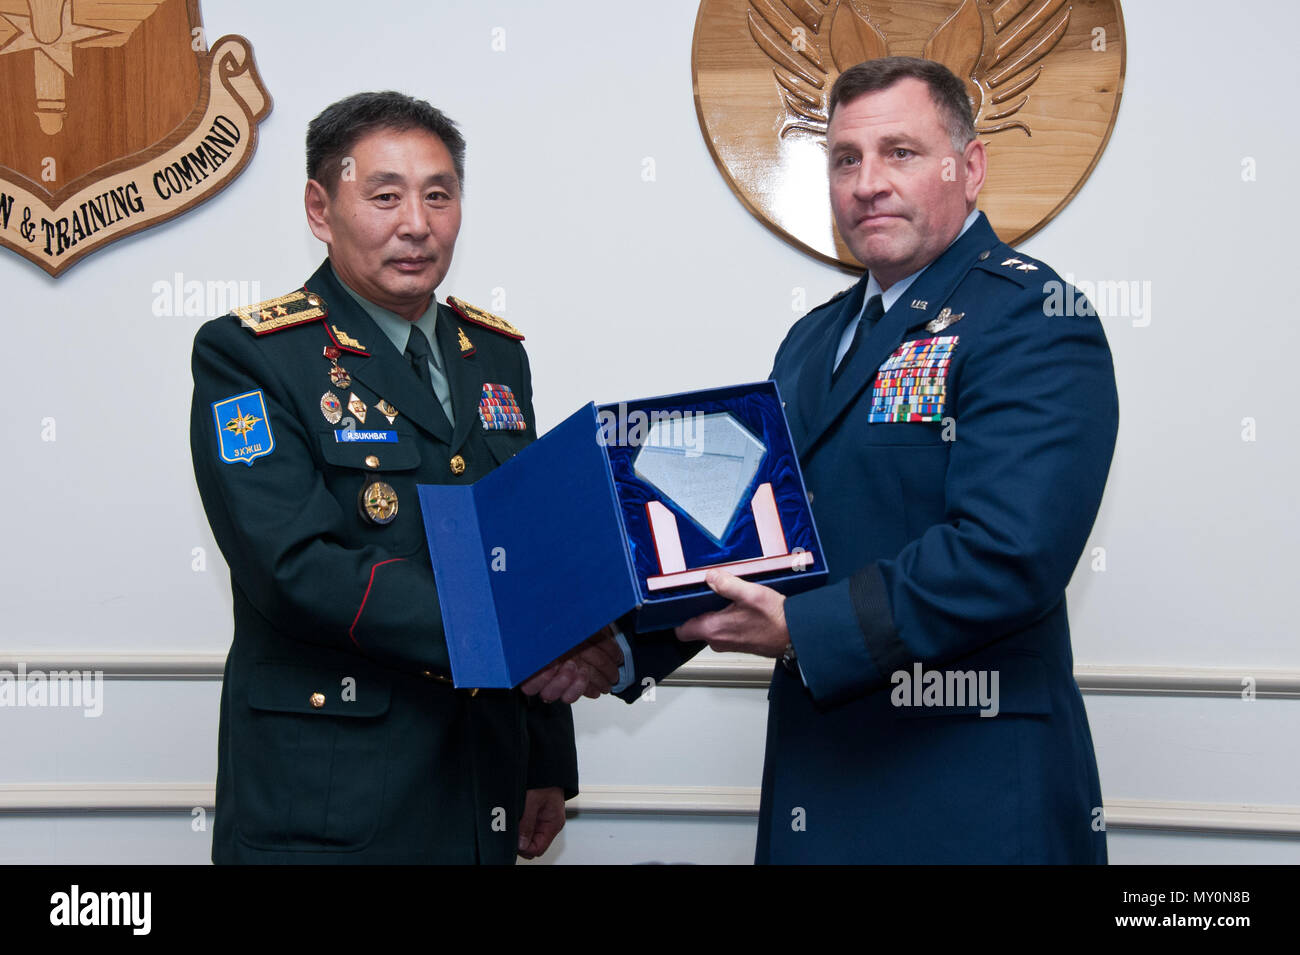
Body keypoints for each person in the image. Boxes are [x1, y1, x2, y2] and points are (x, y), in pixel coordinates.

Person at [622, 57, 1119, 863]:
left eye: (901, 152)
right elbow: (749, 534)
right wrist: (616, 646)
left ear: (972, 165)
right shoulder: (813, 338)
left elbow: (1006, 552)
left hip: (968, 785)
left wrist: (803, 628)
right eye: (846, 159)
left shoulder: (1030, 317)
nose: (868, 182)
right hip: (821, 778)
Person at [189, 91, 622, 864]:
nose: (416, 223)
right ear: (321, 209)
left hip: (482, 776)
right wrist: (514, 630)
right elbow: (296, 567)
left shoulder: (494, 353)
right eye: (384, 195)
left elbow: (521, 545)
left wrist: (545, 757)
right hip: (331, 794)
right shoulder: (250, 356)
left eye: (438, 194)